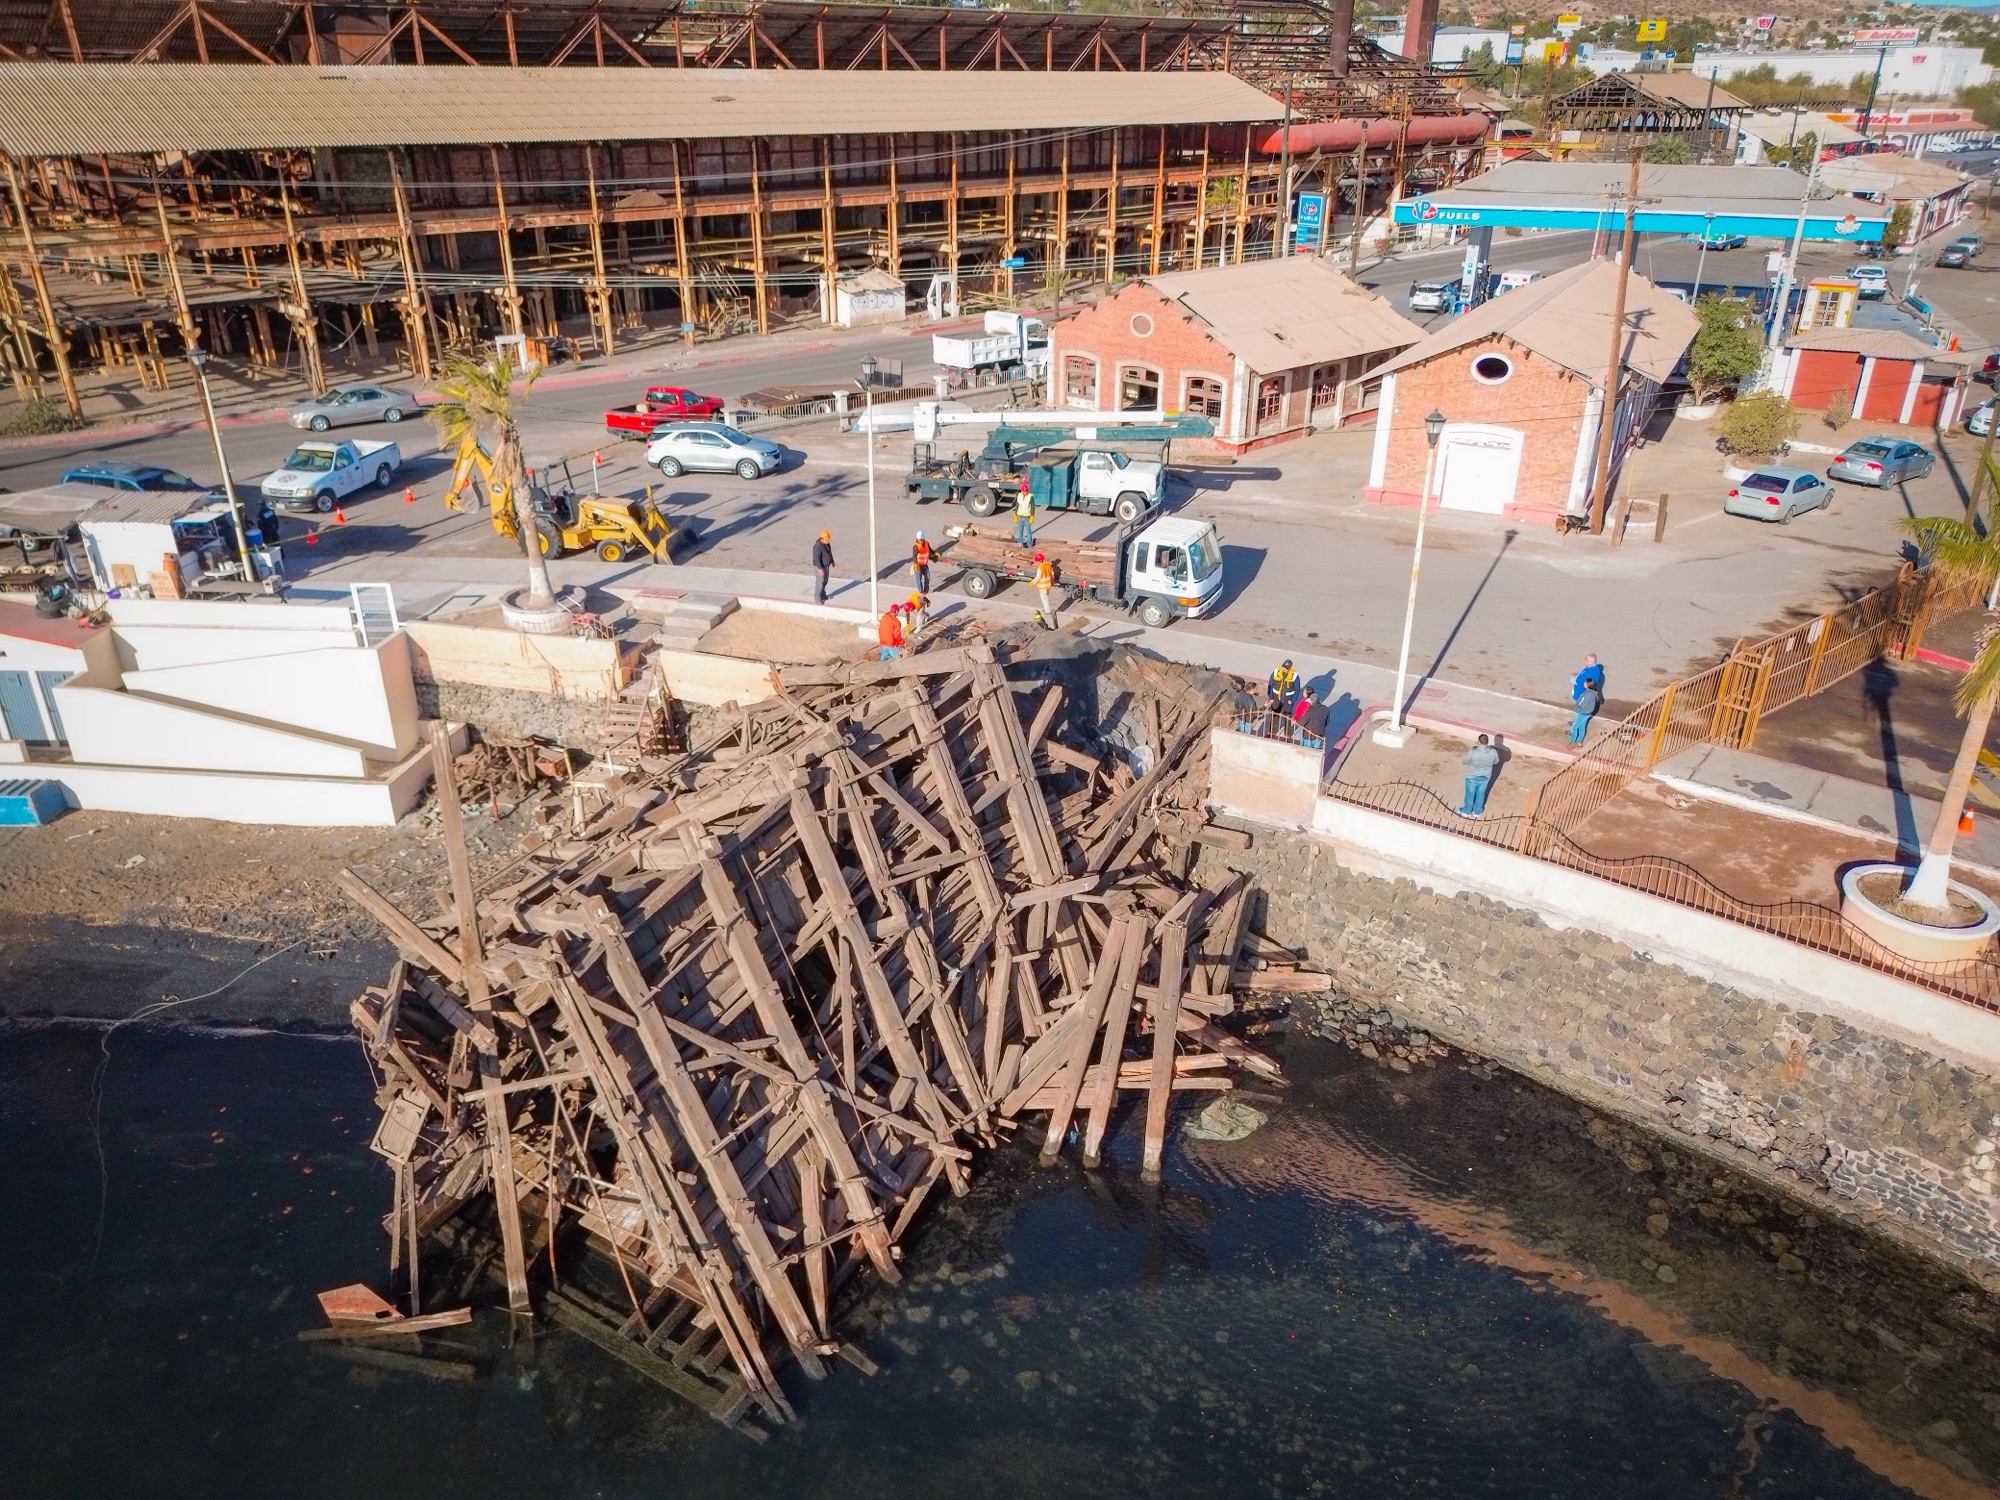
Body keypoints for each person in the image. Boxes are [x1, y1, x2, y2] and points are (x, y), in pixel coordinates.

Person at [1459, 734, 1500, 816]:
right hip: (1485, 776)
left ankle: (1466, 811)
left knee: (1470, 794)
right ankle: (1477, 811)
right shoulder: (1493, 752)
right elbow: (1496, 762)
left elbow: (1465, 762)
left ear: (1479, 741)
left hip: (1472, 776)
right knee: (1481, 794)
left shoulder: (1473, 751)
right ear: (1487, 742)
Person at [1570, 680, 1602, 747]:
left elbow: (1582, 704)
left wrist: (1577, 707)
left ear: (1588, 685)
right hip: (1587, 713)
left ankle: (1572, 743)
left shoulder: (1588, 694)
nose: (1583, 683)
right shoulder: (1592, 693)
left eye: (1585, 682)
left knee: (1574, 727)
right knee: (1582, 727)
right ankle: (1579, 742)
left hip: (1583, 713)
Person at [1033, 551, 1057, 629]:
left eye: (1036, 561)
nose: (1036, 562)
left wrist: (1032, 582)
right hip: (1048, 585)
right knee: (1046, 597)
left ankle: (1047, 611)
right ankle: (1047, 609)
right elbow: (1052, 574)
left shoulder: (1040, 568)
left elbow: (1038, 577)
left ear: (1039, 561)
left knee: (1044, 599)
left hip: (1042, 585)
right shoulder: (1048, 565)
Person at [811, 530, 835, 605]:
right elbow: (816, 558)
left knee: (825, 581)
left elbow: (830, 553)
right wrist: (820, 568)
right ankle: (817, 598)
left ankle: (823, 595)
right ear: (822, 539)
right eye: (826, 539)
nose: (828, 540)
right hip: (820, 567)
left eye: (828, 539)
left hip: (826, 566)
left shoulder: (827, 545)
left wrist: (832, 562)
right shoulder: (817, 546)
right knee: (820, 582)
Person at [1014, 475, 1035, 548]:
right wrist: (1015, 515)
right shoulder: (1019, 495)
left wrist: (1032, 516)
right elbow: (1017, 505)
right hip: (1020, 516)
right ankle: (1019, 544)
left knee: (1028, 532)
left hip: (1027, 517)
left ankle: (1029, 544)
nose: (1025, 493)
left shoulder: (1030, 496)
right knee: (1020, 531)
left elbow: (1032, 507)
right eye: (1024, 492)